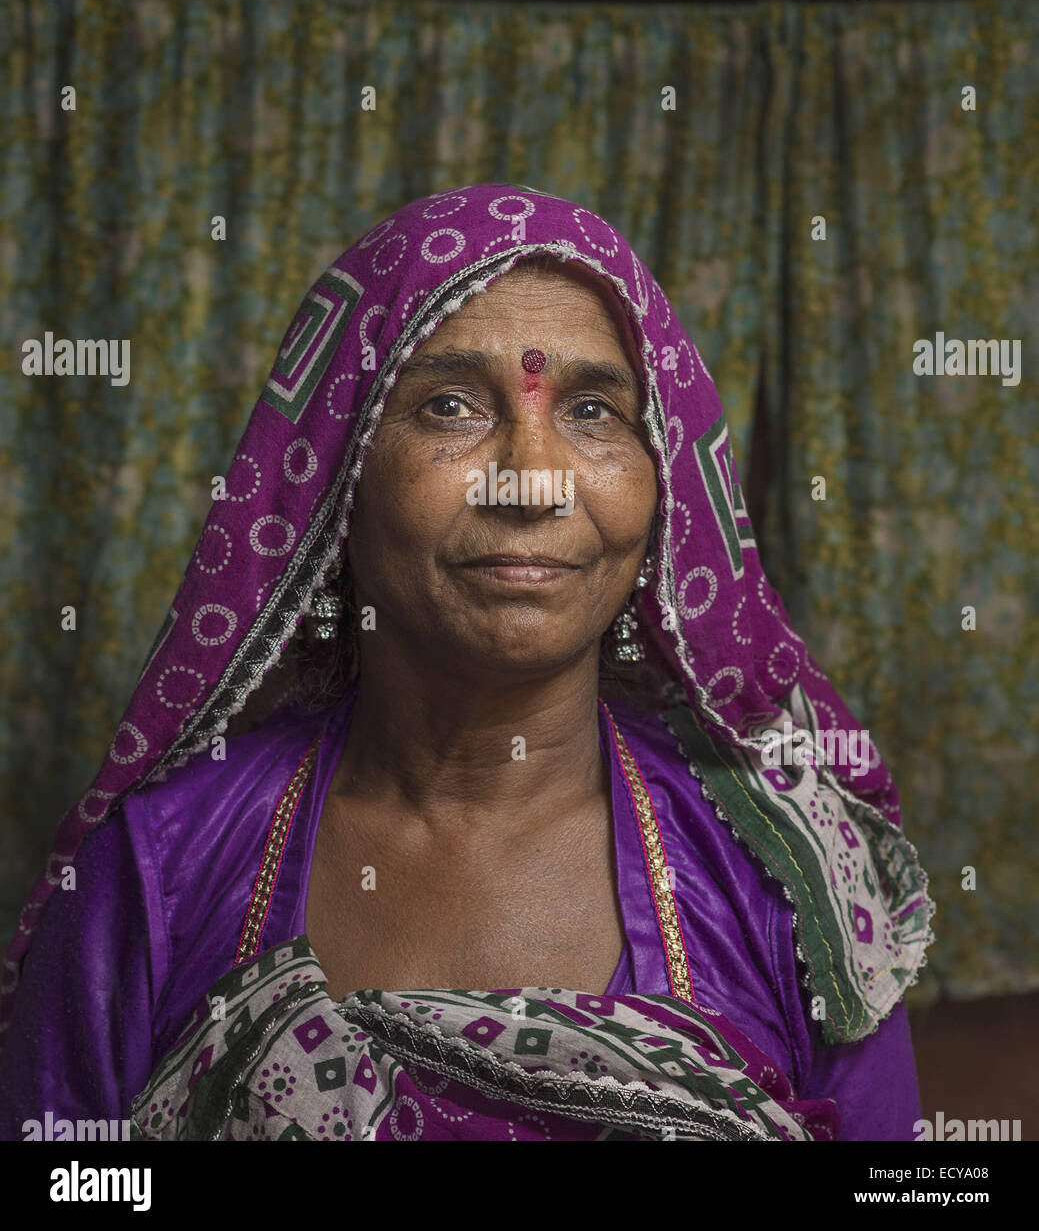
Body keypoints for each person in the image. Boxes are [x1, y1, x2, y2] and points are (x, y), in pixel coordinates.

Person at [0, 183, 934, 1141]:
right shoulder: (160, 870)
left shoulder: (785, 878)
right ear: (336, 473)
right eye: (449, 406)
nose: (532, 479)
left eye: (592, 411)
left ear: (662, 488)